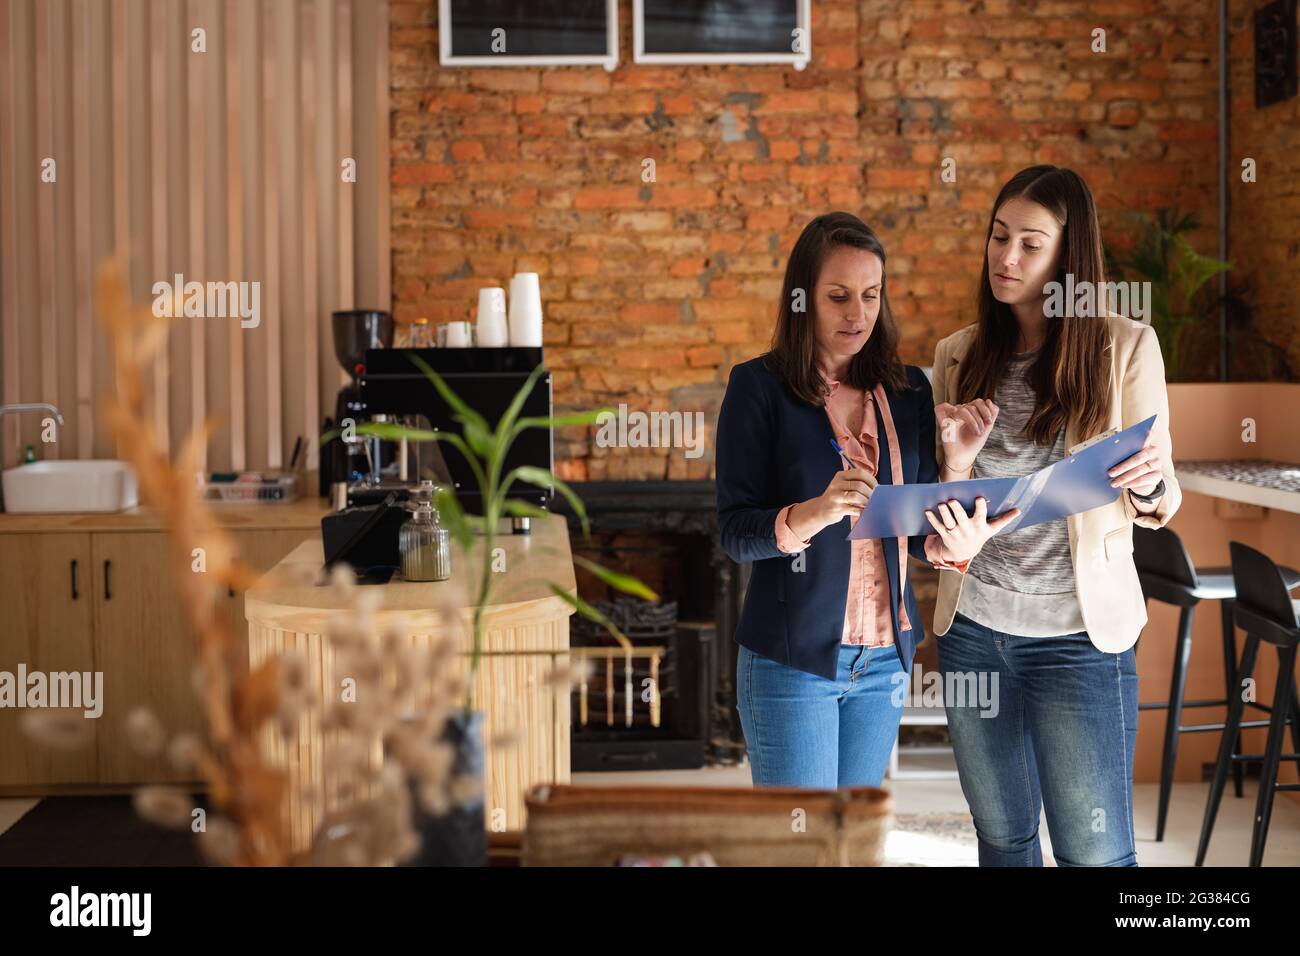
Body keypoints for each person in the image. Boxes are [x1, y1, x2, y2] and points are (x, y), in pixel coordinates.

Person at [931, 165, 1182, 866]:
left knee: (1094, 854)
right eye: (998, 236)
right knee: (1004, 841)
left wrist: (1155, 484)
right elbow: (943, 508)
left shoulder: (1126, 350)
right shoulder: (957, 356)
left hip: (1079, 639)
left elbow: (1159, 495)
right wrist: (950, 475)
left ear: (1067, 259)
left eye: (1030, 244)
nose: (1006, 258)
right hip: (975, 632)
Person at [715, 211, 1017, 789]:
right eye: (838, 297)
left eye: (871, 295)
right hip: (791, 661)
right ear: (803, 300)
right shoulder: (758, 388)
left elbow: (927, 539)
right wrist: (818, 510)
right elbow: (734, 531)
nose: (858, 314)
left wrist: (959, 460)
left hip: (883, 662)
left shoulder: (908, 393)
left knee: (852, 846)